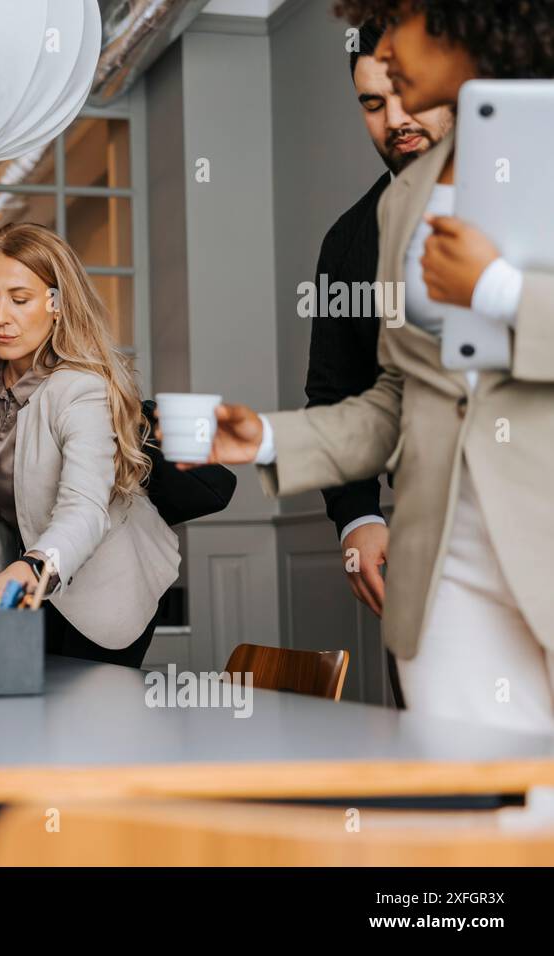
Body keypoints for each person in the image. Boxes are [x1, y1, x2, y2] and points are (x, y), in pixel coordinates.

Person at [192, 0, 554, 732]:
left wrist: (501, 293)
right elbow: (399, 396)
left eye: (398, 30)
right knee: (472, 820)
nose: (385, 55)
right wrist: (267, 438)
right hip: (444, 571)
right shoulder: (399, 208)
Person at [0, 223, 183, 667]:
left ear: (56, 303)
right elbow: (0, 448)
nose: (1, 317)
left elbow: (85, 508)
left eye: (20, 300)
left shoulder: (80, 390)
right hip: (37, 579)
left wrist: (33, 567)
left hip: (104, 590)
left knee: (84, 729)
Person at [305, 20, 452, 704]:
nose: (395, 121)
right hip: (426, 553)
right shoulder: (350, 243)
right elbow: (338, 396)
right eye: (371, 103)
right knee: (443, 777)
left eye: (408, 93)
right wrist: (357, 517)